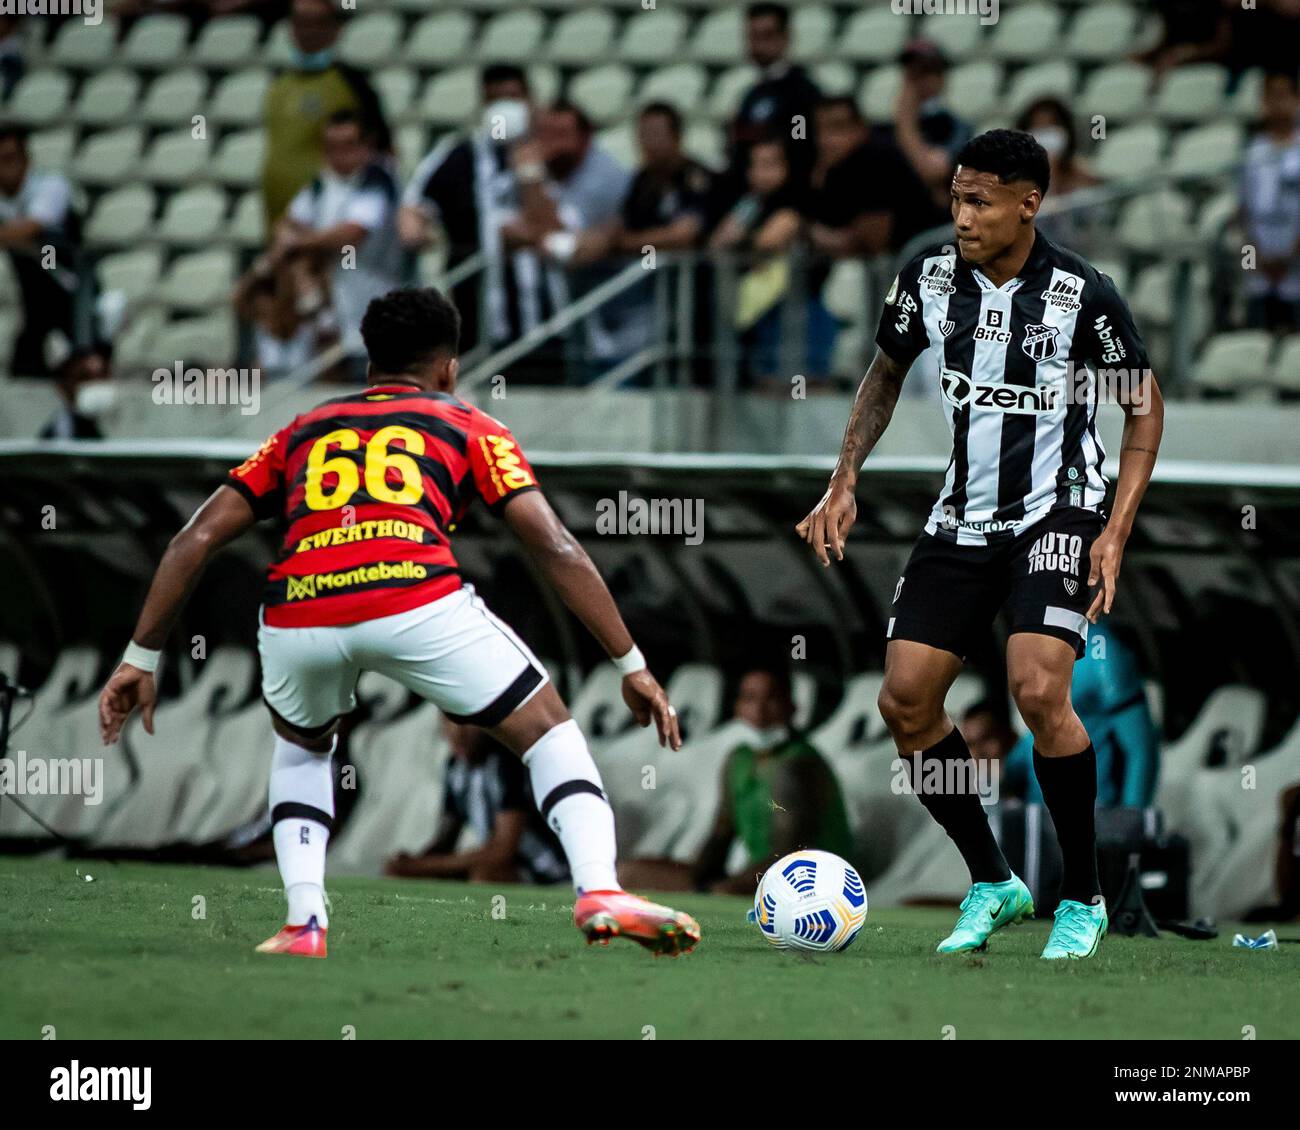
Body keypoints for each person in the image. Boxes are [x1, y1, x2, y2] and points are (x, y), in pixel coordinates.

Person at [97, 286, 700, 959]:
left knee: (301, 750)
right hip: (412, 599)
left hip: (300, 608)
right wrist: (631, 664)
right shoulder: (471, 425)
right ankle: (598, 891)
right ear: (448, 368)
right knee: (547, 730)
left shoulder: (302, 430)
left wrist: (140, 658)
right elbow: (554, 546)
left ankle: (303, 923)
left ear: (367, 364)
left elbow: (194, 539)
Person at [797, 129, 1166, 960]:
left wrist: (1117, 527)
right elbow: (885, 370)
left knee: (1038, 691)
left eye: (979, 201)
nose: (960, 217)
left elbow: (1143, 407)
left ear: (1028, 203)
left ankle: (1083, 896)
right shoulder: (928, 279)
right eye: (955, 198)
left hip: (1060, 510)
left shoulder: (1081, 294)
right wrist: (844, 475)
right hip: (963, 515)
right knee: (904, 702)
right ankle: (994, 880)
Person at [621, 666, 853, 895]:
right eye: (750, 699)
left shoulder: (798, 764)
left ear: (791, 707)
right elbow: (720, 836)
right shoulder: (738, 759)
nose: (759, 711)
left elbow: (789, 857)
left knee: (724, 892)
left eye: (770, 699)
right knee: (630, 873)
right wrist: (695, 881)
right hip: (755, 876)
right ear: (737, 707)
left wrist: (730, 886)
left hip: (812, 883)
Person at [399, 63, 535, 356]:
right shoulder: (460, 154)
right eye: (496, 101)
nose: (505, 110)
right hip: (475, 307)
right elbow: (414, 206)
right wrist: (420, 233)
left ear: (529, 101)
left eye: (513, 99)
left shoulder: (554, 149)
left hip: (542, 312)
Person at [275, 110, 402, 375]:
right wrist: (297, 242)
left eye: (348, 146)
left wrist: (302, 241)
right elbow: (287, 224)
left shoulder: (378, 179)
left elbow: (352, 233)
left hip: (372, 307)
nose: (339, 155)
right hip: (331, 312)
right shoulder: (321, 184)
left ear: (366, 146)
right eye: (332, 147)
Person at [386, 719, 569, 886]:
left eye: (466, 722)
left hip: (547, 872)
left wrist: (423, 866)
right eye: (449, 721)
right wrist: (414, 863)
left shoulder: (507, 763)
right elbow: (444, 841)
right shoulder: (455, 767)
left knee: (485, 876)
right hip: (509, 868)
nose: (458, 733)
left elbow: (502, 852)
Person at [1002, 621, 1160, 808]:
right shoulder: (1029, 647)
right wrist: (1004, 774)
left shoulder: (1100, 650)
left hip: (1096, 814)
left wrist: (1130, 821)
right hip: (1040, 815)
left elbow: (1141, 748)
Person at [261, 0, 390, 229]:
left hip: (330, 219)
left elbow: (383, 148)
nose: (308, 31)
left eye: (317, 23)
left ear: (335, 29)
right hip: (280, 215)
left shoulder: (352, 83)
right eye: (301, 23)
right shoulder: (278, 84)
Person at [708, 138, 803, 384]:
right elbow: (716, 244)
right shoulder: (748, 204)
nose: (762, 173)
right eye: (757, 165)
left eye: (771, 164)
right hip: (748, 306)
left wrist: (742, 241)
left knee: (772, 380)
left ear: (787, 167)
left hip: (786, 307)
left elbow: (769, 241)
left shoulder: (794, 201)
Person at [723, 2, 821, 208]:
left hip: (789, 199)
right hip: (751, 197)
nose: (758, 45)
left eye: (767, 36)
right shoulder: (751, 95)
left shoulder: (802, 93)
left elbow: (801, 144)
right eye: (753, 36)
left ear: (785, 37)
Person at [0, 124, 79, 377]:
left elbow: (29, 229)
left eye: (11, 158)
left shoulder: (51, 186)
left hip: (66, 291)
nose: (6, 168)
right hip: (30, 302)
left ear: (26, 158)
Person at [1240, 71, 1300, 333]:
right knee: (1257, 328)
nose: (1277, 104)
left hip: (1294, 250)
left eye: (1283, 96)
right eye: (1270, 97)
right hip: (1260, 251)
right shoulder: (1253, 151)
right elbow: (1243, 208)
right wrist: (1257, 255)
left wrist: (1291, 255)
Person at [891, 39, 973, 218]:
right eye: (912, 75)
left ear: (942, 78)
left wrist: (905, 117)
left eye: (926, 73)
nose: (919, 82)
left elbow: (932, 171)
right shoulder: (886, 128)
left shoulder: (956, 127)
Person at [1015, 98, 1102, 250]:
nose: (1045, 135)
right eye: (1038, 128)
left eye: (1051, 126)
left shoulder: (1082, 171)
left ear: (1065, 132)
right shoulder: (1013, 177)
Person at [39, 342, 114, 439]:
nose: (95, 386)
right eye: (85, 378)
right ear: (63, 387)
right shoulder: (59, 432)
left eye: (101, 377)